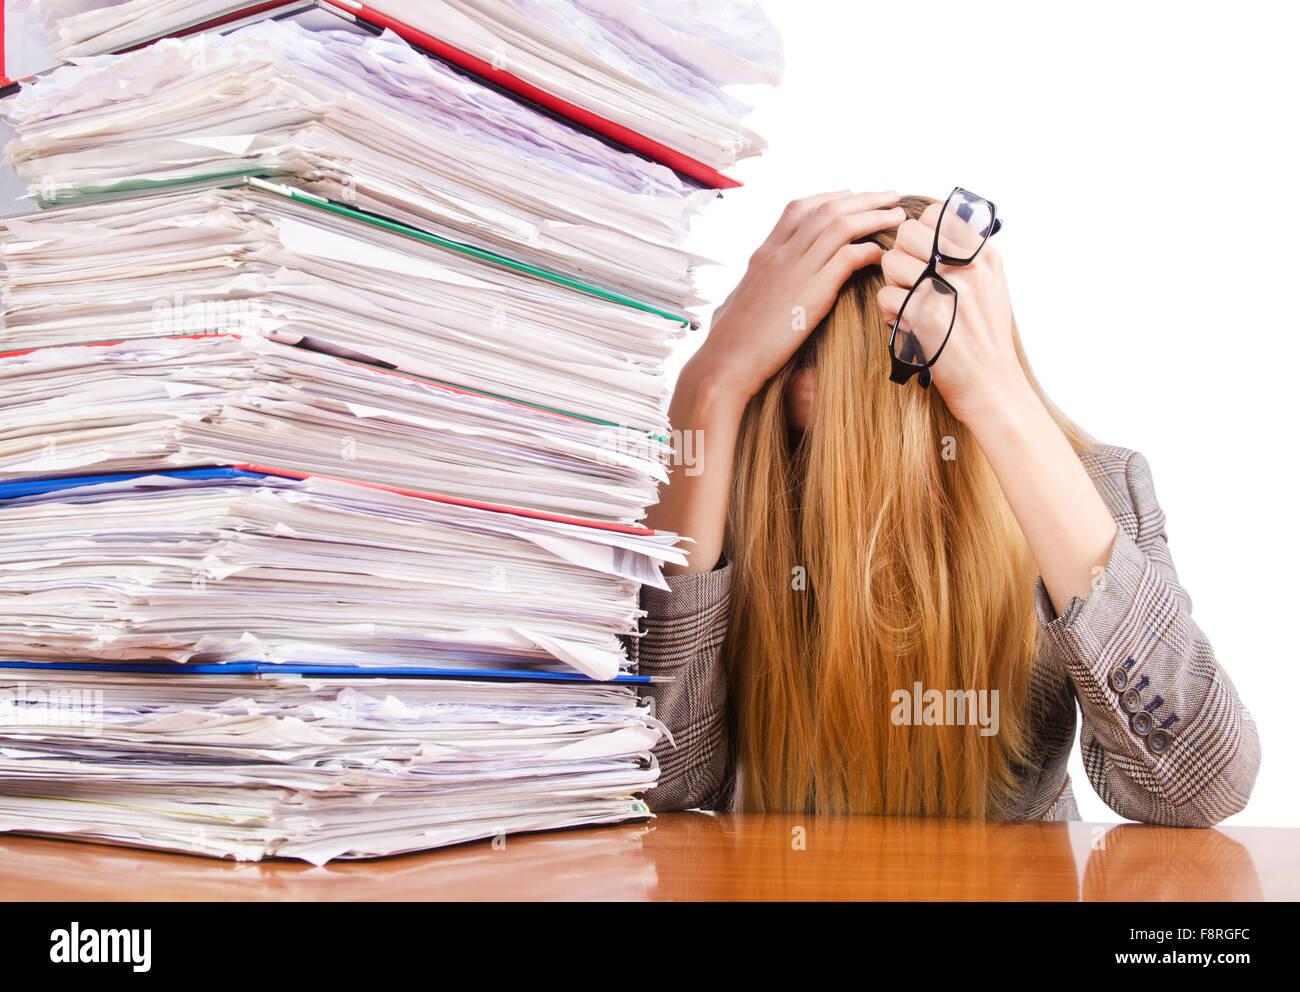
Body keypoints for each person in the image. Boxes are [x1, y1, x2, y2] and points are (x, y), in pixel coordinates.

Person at [630, 189, 1259, 824]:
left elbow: (1202, 784)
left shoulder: (1093, 489)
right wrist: (708, 385)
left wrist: (1000, 397)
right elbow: (658, 780)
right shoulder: (719, 496)